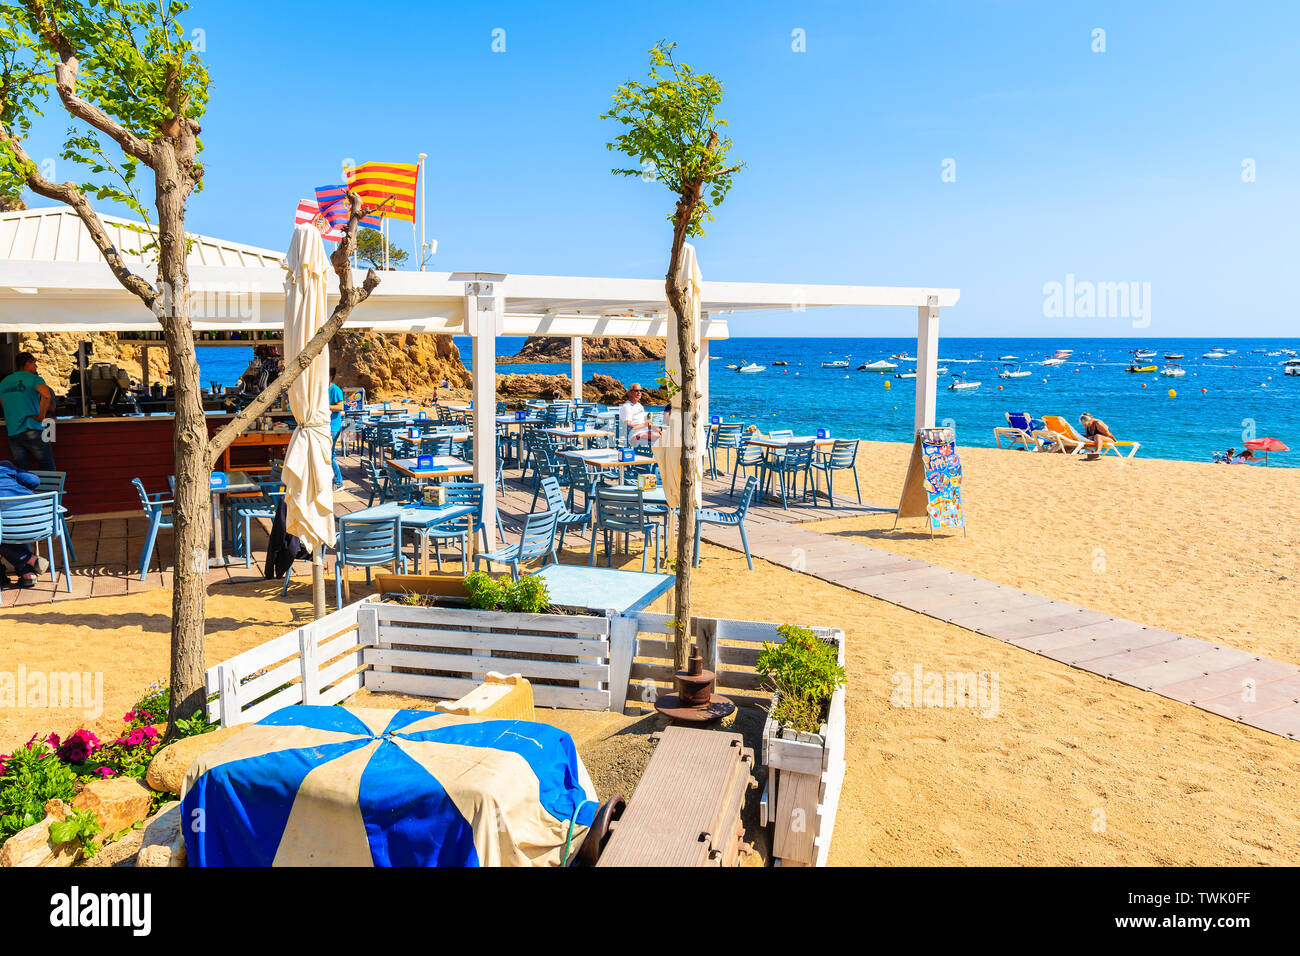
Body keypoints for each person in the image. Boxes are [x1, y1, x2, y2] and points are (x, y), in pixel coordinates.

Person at [0, 352, 55, 472]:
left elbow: (3, 404)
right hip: (33, 428)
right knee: (48, 469)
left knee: (22, 472)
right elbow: (46, 395)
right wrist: (41, 416)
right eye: (34, 364)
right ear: (28, 363)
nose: (36, 367)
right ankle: (51, 491)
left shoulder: (4, 382)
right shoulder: (35, 379)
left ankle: (25, 491)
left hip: (13, 431)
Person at [0, 460, 47, 588]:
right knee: (10, 530)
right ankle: (28, 574)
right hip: (42, 521)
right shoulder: (5, 466)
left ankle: (31, 560)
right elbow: (34, 480)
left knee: (5, 532)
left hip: (12, 524)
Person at [328, 368, 346, 491]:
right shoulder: (325, 389)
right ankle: (335, 480)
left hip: (333, 427)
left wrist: (326, 407)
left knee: (330, 454)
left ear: (330, 377)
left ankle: (339, 481)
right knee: (329, 454)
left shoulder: (335, 389)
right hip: (328, 426)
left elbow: (340, 407)